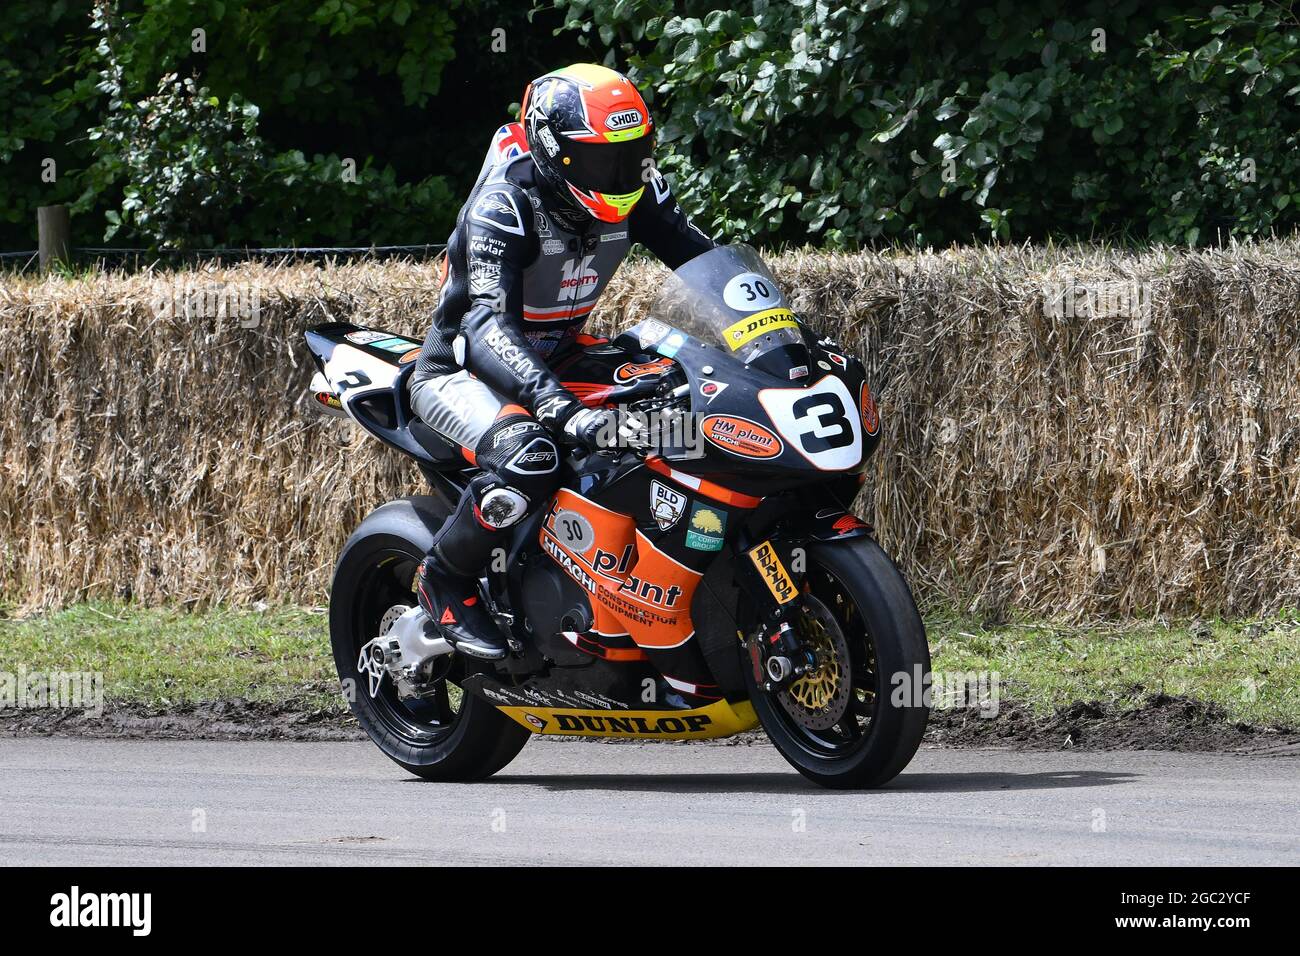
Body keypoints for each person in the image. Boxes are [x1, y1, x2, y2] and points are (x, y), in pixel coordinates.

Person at [408, 63, 715, 659]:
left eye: (633, 156)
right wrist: (556, 405)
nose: (623, 175)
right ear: (555, 152)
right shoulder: (506, 203)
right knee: (533, 454)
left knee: (685, 404)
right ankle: (443, 578)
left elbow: (701, 261)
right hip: (462, 369)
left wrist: (775, 335)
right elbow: (483, 323)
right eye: (604, 161)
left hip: (564, 354)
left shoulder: (638, 192)